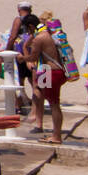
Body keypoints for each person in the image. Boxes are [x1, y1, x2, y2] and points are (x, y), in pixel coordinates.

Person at [22, 14, 65, 144]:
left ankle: (56, 136)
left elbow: (32, 58)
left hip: (51, 72)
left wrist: (21, 57)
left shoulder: (39, 38)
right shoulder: (47, 33)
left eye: (27, 29)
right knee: (39, 92)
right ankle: (39, 122)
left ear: (31, 26)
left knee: (54, 104)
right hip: (47, 70)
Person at [3, 1, 33, 113]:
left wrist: (7, 51)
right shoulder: (33, 19)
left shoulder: (18, 19)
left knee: (19, 79)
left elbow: (13, 36)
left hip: (20, 52)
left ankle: (18, 105)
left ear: (19, 9)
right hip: (31, 52)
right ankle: (36, 105)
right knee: (33, 79)